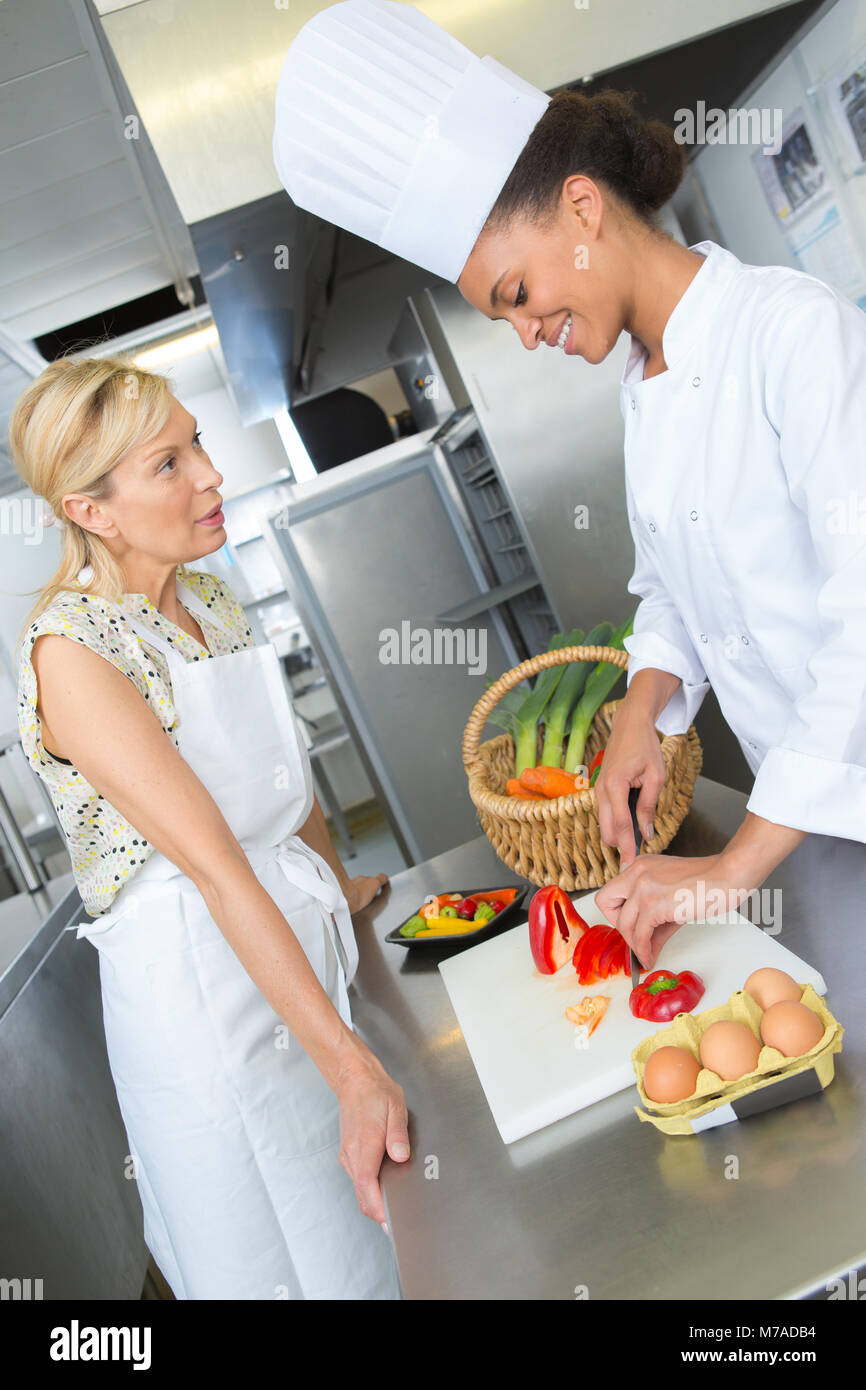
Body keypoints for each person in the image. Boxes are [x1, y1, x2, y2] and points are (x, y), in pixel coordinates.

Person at [274, 0, 866, 971]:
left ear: (582, 209)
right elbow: (674, 585)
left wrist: (733, 863)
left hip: (798, 816)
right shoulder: (647, 384)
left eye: (512, 293)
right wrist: (639, 706)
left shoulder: (788, 337)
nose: (522, 329)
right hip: (809, 823)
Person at [11, 354, 406, 1300]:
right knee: (277, 1252)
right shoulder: (73, 649)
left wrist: (339, 894)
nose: (211, 475)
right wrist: (350, 1064)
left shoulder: (214, 601)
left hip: (292, 960)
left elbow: (283, 784)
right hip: (202, 994)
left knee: (372, 1243)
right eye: (167, 464)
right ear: (89, 510)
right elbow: (217, 868)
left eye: (198, 445)